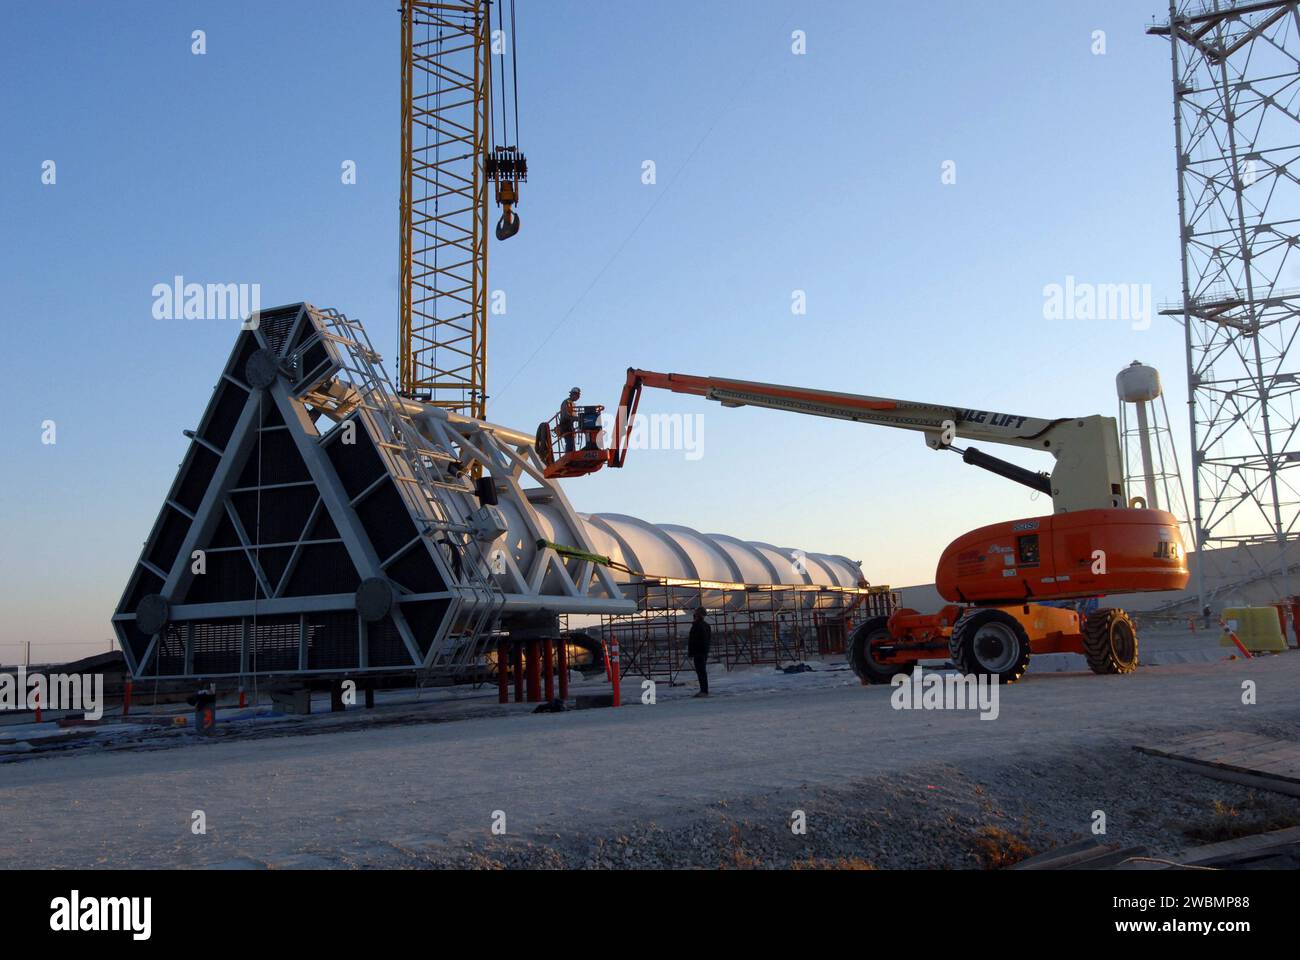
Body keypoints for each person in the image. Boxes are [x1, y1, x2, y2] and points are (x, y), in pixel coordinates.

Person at [687, 606, 711, 697]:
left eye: (696, 613)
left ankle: (704, 691)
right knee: (701, 671)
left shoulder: (699, 626)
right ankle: (704, 690)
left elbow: (698, 640)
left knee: (701, 672)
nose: (695, 615)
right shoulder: (704, 625)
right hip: (701, 652)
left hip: (699, 652)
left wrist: (694, 652)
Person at [559, 387, 581, 453]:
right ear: (572, 394)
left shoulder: (572, 404)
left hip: (570, 426)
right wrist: (578, 419)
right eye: (577, 395)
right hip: (565, 426)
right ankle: (568, 456)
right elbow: (566, 416)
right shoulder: (566, 402)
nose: (578, 397)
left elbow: (573, 416)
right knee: (570, 443)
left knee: (571, 444)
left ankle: (571, 454)